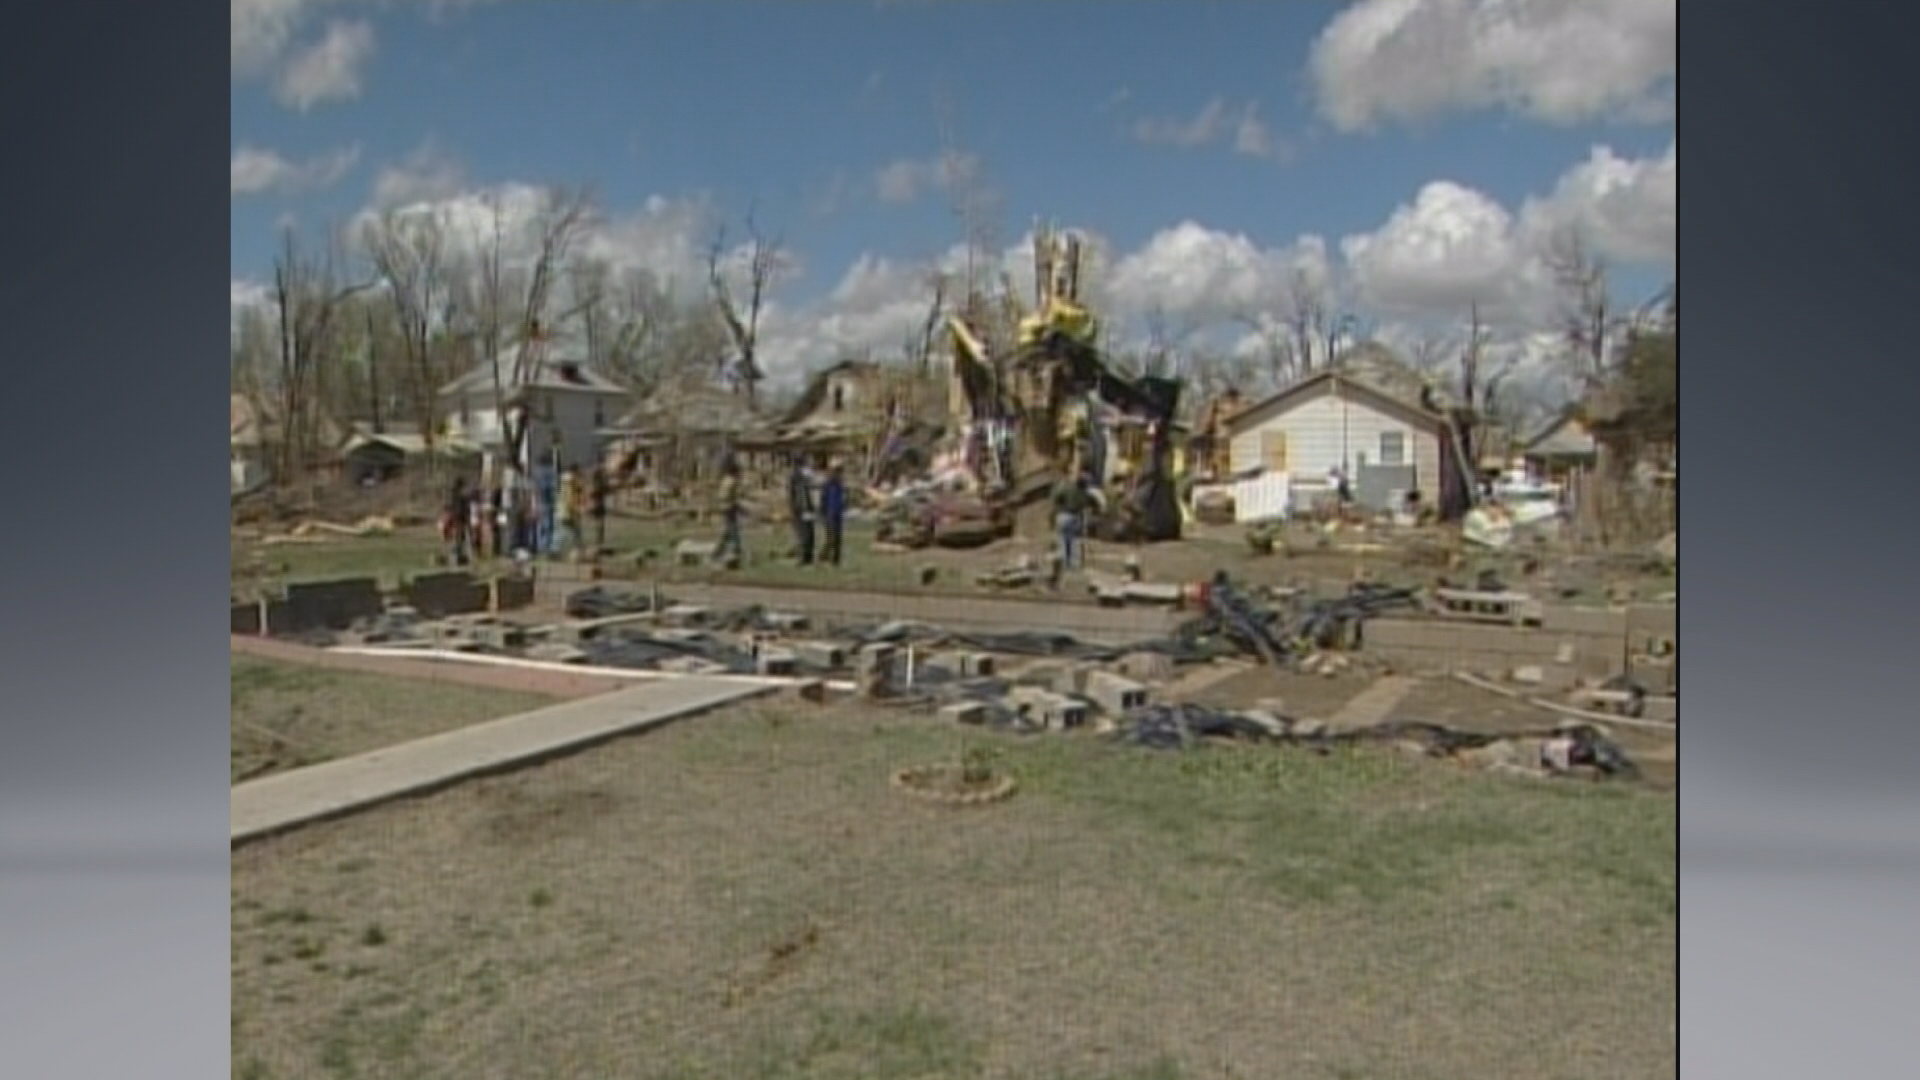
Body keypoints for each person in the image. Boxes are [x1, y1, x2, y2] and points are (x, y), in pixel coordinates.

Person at [1051, 470, 1091, 570]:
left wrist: (1058, 508)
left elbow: (1057, 497)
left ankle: (1063, 563)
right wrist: (1084, 526)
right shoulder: (1084, 495)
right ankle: (1072, 564)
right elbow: (1083, 510)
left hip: (1062, 515)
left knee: (1062, 541)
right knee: (1073, 541)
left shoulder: (1068, 488)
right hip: (1074, 517)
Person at [714, 459, 745, 566]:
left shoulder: (726, 480)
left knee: (728, 530)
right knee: (733, 529)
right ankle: (737, 549)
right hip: (729, 507)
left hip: (726, 506)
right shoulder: (732, 481)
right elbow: (728, 496)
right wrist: (738, 506)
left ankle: (719, 550)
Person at [787, 456, 816, 566]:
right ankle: (807, 556)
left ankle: (804, 556)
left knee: (802, 532)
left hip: (800, 507)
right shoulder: (806, 474)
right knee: (807, 532)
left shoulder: (796, 475)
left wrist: (792, 506)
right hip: (805, 507)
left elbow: (792, 493)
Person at [819, 462, 848, 567]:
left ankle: (836, 560)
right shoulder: (829, 484)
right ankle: (824, 557)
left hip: (837, 513)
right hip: (830, 514)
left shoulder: (839, 484)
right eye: (838, 472)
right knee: (831, 538)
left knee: (837, 538)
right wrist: (823, 513)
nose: (840, 474)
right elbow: (823, 500)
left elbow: (842, 499)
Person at [556, 464, 585, 561]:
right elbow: (570, 499)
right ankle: (573, 554)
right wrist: (577, 508)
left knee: (571, 533)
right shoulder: (570, 483)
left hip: (565, 511)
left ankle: (572, 553)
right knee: (572, 534)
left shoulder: (568, 482)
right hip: (567, 512)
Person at [442, 478, 473, 566]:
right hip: (459, 518)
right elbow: (461, 507)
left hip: (456, 517)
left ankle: (457, 557)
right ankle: (455, 558)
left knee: (458, 538)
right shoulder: (459, 496)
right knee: (458, 538)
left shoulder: (454, 495)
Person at [589, 465, 611, 552]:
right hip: (597, 504)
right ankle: (599, 542)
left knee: (600, 525)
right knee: (599, 524)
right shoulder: (597, 483)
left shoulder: (597, 483)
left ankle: (599, 542)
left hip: (598, 504)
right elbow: (599, 491)